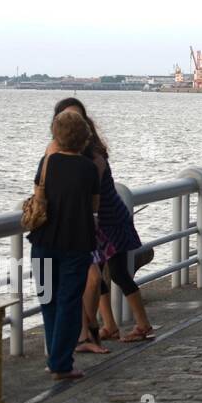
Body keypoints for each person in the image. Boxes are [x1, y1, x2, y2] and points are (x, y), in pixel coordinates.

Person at [50, 98, 155, 347]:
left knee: (116, 272)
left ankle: (143, 324)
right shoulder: (65, 153)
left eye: (76, 117)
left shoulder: (93, 156)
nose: (71, 122)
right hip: (93, 224)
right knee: (98, 275)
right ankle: (109, 325)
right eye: (66, 117)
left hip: (109, 221)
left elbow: (91, 193)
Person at [30, 108, 100, 380]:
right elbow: (94, 206)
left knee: (48, 299)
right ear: (83, 137)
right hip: (76, 242)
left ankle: (55, 357)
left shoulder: (46, 162)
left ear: (55, 136)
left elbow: (38, 194)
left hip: (43, 239)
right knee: (69, 301)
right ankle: (61, 362)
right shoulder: (88, 168)